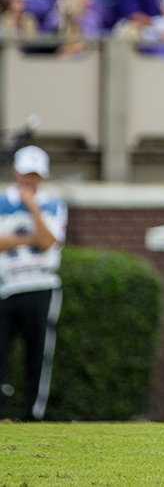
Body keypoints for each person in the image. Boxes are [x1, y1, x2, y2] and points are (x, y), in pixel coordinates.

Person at [0, 146, 67, 422]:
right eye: (25, 174)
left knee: (37, 355)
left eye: (35, 175)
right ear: (15, 171)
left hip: (41, 286)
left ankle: (32, 415)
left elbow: (49, 241)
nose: (29, 180)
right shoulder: (2, 201)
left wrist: (32, 207)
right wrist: (30, 239)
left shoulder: (52, 204)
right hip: (5, 287)